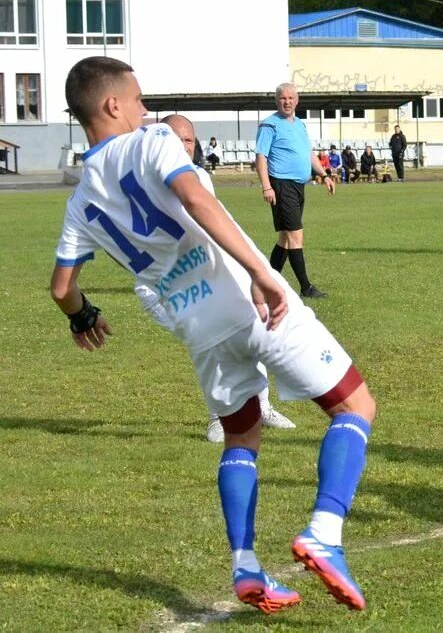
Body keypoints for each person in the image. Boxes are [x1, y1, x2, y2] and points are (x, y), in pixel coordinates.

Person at [52, 56, 376, 612]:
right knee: (355, 406)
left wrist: (83, 315)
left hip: (199, 330)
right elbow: (198, 200)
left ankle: (246, 567)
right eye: (137, 98)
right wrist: (261, 272)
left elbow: (62, 288)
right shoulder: (152, 141)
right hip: (251, 305)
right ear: (112, 105)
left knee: (241, 439)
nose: (145, 109)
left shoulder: (79, 202)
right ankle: (325, 531)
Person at [151, 114, 297, 443]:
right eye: (174, 139)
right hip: (167, 282)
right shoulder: (143, 180)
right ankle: (219, 415)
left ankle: (262, 407)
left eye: (188, 140)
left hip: (210, 270)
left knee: (250, 329)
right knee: (211, 343)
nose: (182, 146)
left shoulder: (199, 175)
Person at [254, 83, 333, 300]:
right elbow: (261, 157)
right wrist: (267, 186)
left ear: (297, 101)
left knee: (284, 239)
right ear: (276, 101)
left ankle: (266, 284)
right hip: (281, 184)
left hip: (298, 186)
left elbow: (309, 154)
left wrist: (324, 175)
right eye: (282, 98)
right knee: (295, 236)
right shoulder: (269, 125)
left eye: (291, 98)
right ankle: (306, 287)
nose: (287, 101)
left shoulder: (300, 125)